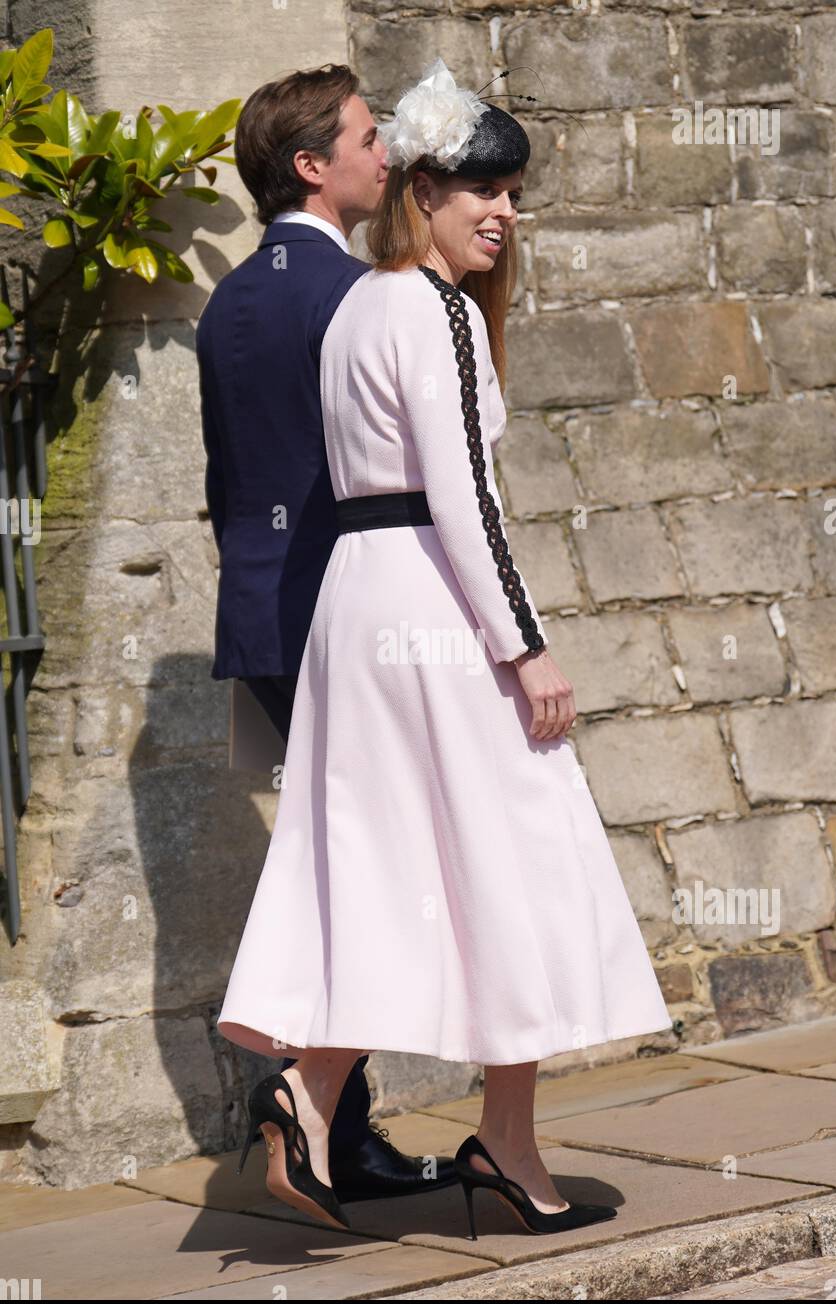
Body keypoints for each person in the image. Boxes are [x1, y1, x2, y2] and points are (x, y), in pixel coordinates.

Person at [218, 57, 674, 1239]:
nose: (504, 212)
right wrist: (526, 648)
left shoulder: (359, 305)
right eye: (482, 188)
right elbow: (463, 497)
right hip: (433, 600)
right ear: (420, 186)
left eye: (513, 191)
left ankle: (311, 1094)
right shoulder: (433, 310)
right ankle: (502, 1142)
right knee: (514, 852)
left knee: (389, 858)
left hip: (358, 613)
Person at [195, 63, 459, 1208]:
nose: (386, 154)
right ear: (314, 165)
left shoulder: (229, 301)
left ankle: (335, 1130)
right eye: (366, 136)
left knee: (337, 868)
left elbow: (228, 484)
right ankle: (313, 1103)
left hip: (258, 612)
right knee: (378, 872)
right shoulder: (354, 296)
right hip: (342, 620)